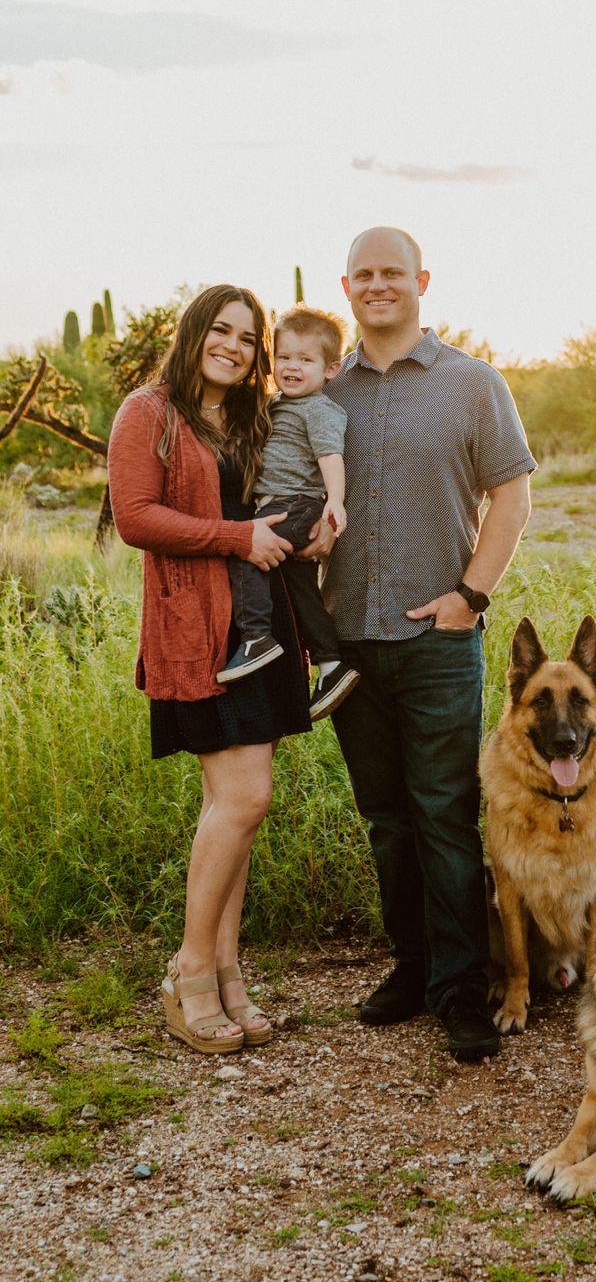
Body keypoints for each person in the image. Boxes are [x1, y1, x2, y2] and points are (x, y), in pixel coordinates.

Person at [314, 225, 535, 1062]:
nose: (378, 285)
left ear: (421, 281)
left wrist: (470, 597)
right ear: (346, 286)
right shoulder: (322, 396)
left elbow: (511, 501)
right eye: (364, 274)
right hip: (348, 647)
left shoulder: (473, 385)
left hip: (439, 641)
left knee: (444, 815)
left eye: (392, 273)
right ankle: (412, 966)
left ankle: (460, 985)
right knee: (386, 819)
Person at [107, 285, 310, 1054]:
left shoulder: (252, 417)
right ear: (193, 332)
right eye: (220, 330)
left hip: (261, 631)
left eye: (248, 337)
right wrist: (236, 537)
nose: (234, 345)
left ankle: (227, 971)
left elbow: (268, 513)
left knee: (237, 811)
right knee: (243, 800)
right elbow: (136, 517)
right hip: (200, 635)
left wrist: (306, 526)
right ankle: (188, 968)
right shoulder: (148, 411)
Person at [218, 304, 360, 722]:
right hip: (282, 503)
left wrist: (335, 501)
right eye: (284, 357)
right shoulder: (279, 404)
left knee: (247, 549)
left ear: (330, 369)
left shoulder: (318, 409)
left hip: (296, 504)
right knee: (302, 591)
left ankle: (257, 636)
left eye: (305, 359)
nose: (292, 367)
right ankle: (331, 664)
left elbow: (330, 455)